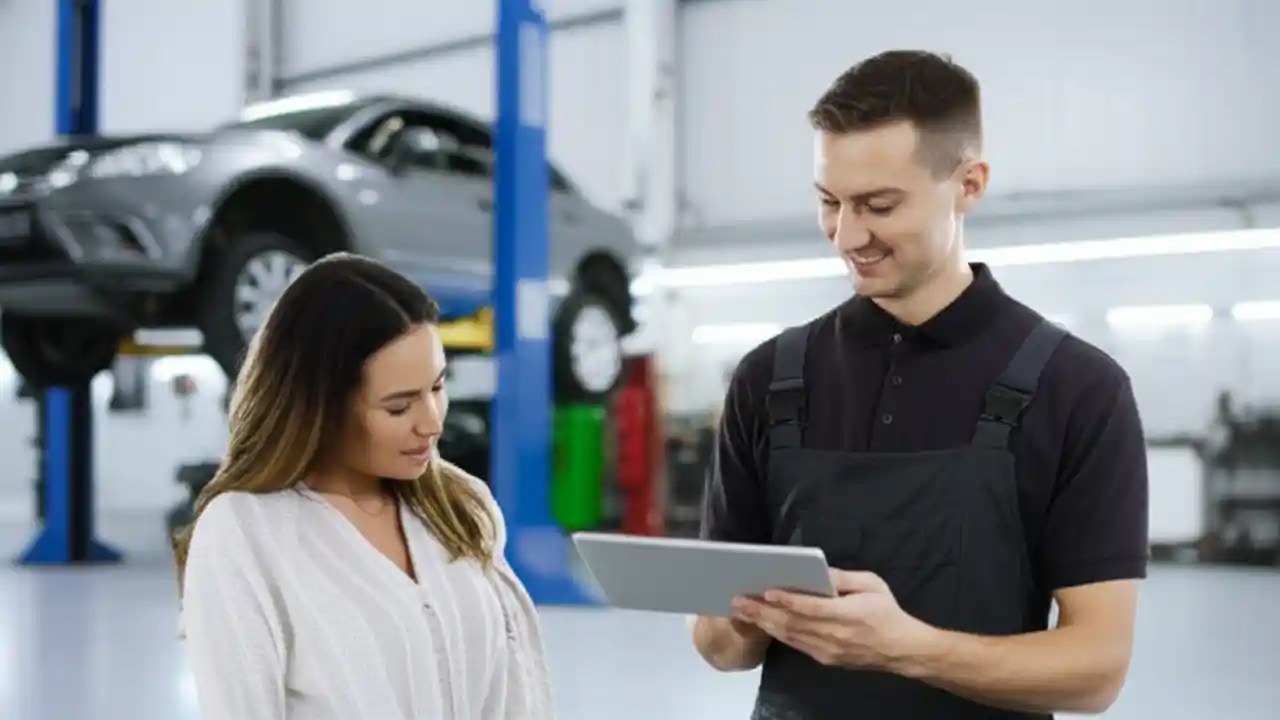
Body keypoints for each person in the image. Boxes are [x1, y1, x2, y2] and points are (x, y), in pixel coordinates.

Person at [690, 50, 1149, 719]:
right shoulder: (767, 380)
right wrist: (754, 616)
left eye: (878, 205)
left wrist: (908, 649)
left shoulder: (1079, 389)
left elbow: (1096, 670)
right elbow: (719, 648)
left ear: (969, 184)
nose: (847, 235)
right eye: (829, 202)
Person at [172, 253, 553, 720]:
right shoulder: (245, 533)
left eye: (436, 388)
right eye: (399, 407)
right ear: (321, 408)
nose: (432, 423)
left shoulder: (460, 503)